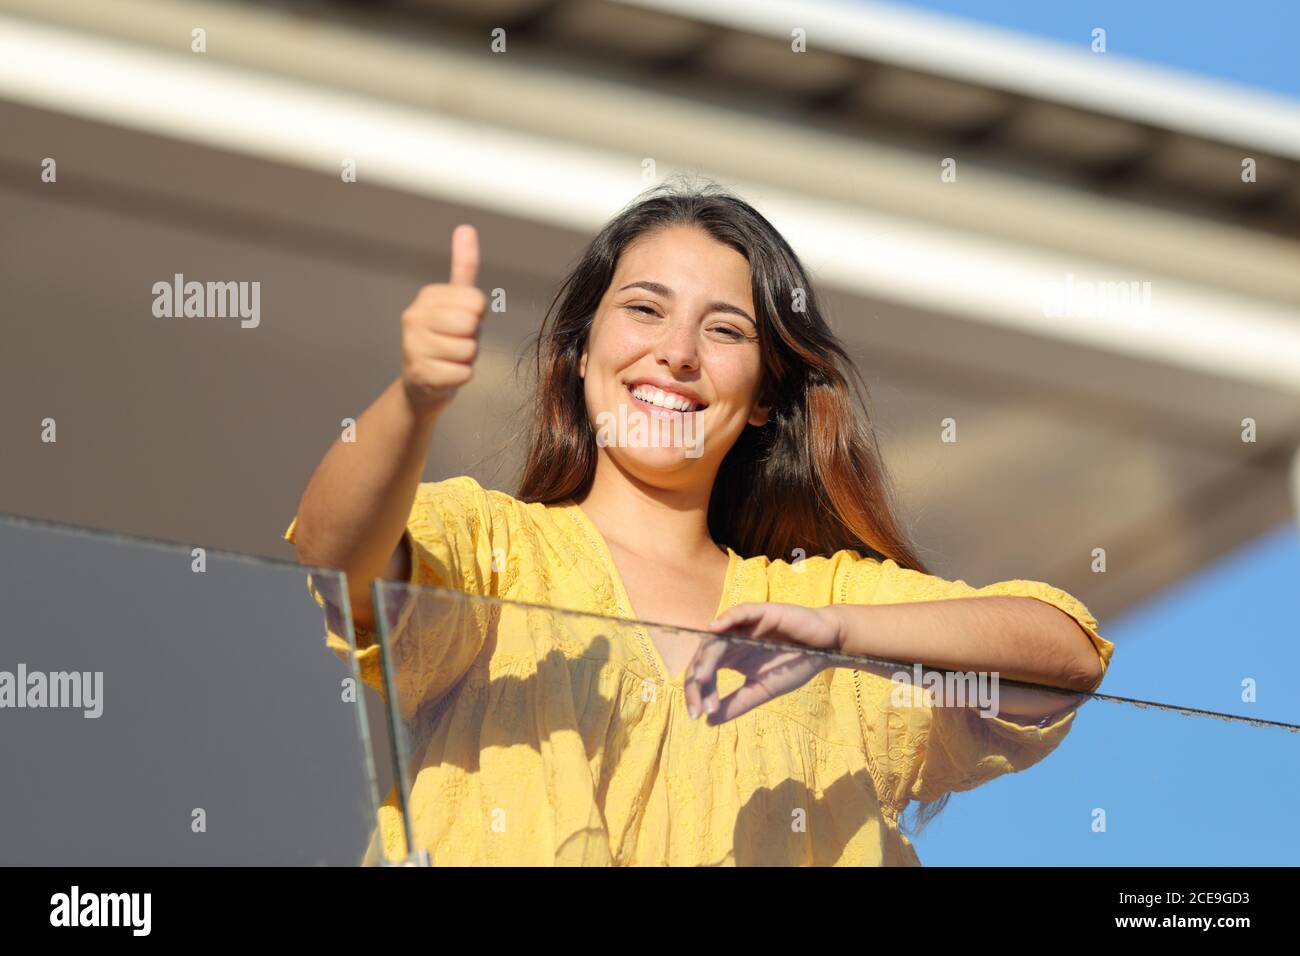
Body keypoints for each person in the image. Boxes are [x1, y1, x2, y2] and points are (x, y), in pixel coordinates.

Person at [285, 178, 1113, 866]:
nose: (677, 353)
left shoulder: (818, 601)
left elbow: (1067, 654)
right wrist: (414, 400)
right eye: (645, 310)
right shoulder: (495, 552)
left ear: (762, 400)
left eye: (724, 330)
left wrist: (835, 635)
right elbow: (333, 554)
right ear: (579, 353)